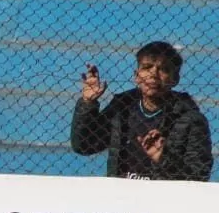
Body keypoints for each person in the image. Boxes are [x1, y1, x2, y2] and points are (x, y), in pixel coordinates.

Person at [70, 40, 213, 181]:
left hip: (163, 201)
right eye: (147, 67)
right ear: (136, 75)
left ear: (174, 79)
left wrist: (163, 158)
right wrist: (88, 103)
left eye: (163, 69)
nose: (153, 74)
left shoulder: (191, 120)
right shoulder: (122, 108)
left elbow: (199, 176)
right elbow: (83, 146)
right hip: (119, 197)